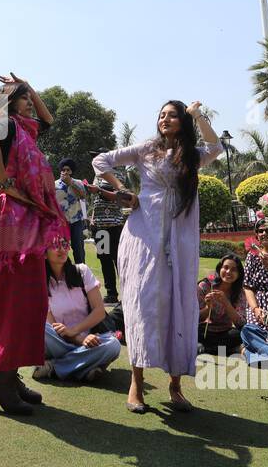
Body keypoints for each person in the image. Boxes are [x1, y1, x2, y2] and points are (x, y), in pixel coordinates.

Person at [92, 99, 222, 414]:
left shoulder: (192, 156)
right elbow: (101, 161)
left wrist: (197, 115)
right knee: (142, 302)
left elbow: (216, 146)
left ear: (183, 121)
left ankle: (175, 386)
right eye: (161, 115)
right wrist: (123, 189)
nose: (164, 119)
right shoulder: (146, 149)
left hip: (180, 236)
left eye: (172, 115)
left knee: (177, 301)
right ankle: (136, 383)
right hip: (143, 234)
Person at [0, 73, 69, 415]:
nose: (29, 102)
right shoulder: (7, 126)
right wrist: (6, 182)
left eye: (28, 97)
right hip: (12, 223)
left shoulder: (26, 130)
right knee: (16, 298)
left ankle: (8, 375)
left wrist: (29, 86)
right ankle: (2, 377)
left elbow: (48, 119)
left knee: (31, 299)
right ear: (7, 103)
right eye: (22, 97)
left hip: (27, 222)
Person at [34, 238, 122, 382]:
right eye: (55, 245)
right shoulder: (40, 283)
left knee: (113, 345)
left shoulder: (82, 271)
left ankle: (55, 367)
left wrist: (74, 331)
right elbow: (52, 326)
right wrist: (79, 340)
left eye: (64, 244)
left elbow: (99, 311)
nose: (62, 249)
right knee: (40, 327)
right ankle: (85, 366)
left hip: (88, 341)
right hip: (59, 342)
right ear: (44, 254)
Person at [197, 253, 245, 354]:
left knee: (243, 333)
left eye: (234, 270)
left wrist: (226, 303)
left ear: (239, 274)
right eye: (225, 268)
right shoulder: (205, 286)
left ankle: (207, 349)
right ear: (219, 269)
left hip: (225, 333)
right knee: (191, 332)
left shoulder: (239, 292)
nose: (228, 272)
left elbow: (241, 324)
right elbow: (195, 319)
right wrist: (208, 307)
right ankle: (227, 350)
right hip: (204, 330)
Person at [88, 180, 126, 303]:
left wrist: (99, 190)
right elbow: (96, 203)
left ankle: (127, 293)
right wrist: (93, 219)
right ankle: (111, 294)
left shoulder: (118, 177)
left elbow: (117, 196)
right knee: (105, 261)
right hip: (101, 230)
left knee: (119, 261)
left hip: (115, 228)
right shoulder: (97, 178)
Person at [241, 221, 268, 327]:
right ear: (256, 235)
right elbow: (247, 286)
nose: (264, 233)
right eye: (261, 231)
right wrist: (255, 309)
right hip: (258, 304)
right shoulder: (252, 256)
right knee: (253, 331)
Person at [54, 158, 91, 263]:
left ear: (72, 171)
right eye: (63, 170)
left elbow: (83, 196)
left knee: (78, 249)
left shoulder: (78, 183)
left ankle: (82, 274)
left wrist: (70, 183)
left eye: (68, 170)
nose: (65, 172)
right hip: (61, 223)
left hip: (76, 221)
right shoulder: (54, 185)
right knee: (61, 249)